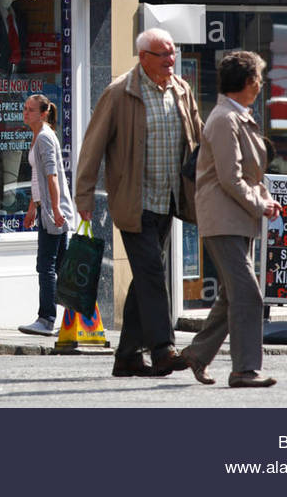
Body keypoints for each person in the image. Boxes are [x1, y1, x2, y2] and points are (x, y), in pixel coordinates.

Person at [75, 28, 203, 377]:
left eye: (173, 53)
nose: (170, 60)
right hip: (134, 202)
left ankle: (127, 356)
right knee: (152, 273)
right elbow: (92, 148)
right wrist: (84, 196)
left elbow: (199, 140)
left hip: (169, 200)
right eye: (163, 54)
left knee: (144, 279)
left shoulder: (181, 90)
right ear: (143, 57)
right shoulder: (119, 93)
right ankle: (163, 349)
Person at [179, 51, 281, 388]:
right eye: (259, 78)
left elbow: (247, 176)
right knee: (248, 294)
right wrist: (259, 203)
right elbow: (229, 177)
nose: (261, 84)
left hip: (237, 219)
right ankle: (244, 370)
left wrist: (263, 198)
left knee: (230, 295)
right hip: (223, 219)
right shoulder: (224, 119)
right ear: (248, 81)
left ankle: (197, 353)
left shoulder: (238, 117)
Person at [18, 94, 77, 336]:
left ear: (43, 113)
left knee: (46, 265)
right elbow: (38, 178)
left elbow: (52, 176)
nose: (26, 113)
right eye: (25, 109)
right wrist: (33, 207)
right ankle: (76, 316)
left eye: (31, 110)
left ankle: (46, 318)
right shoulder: (39, 136)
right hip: (47, 208)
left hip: (53, 210)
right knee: (61, 265)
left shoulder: (43, 137)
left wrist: (53, 209)